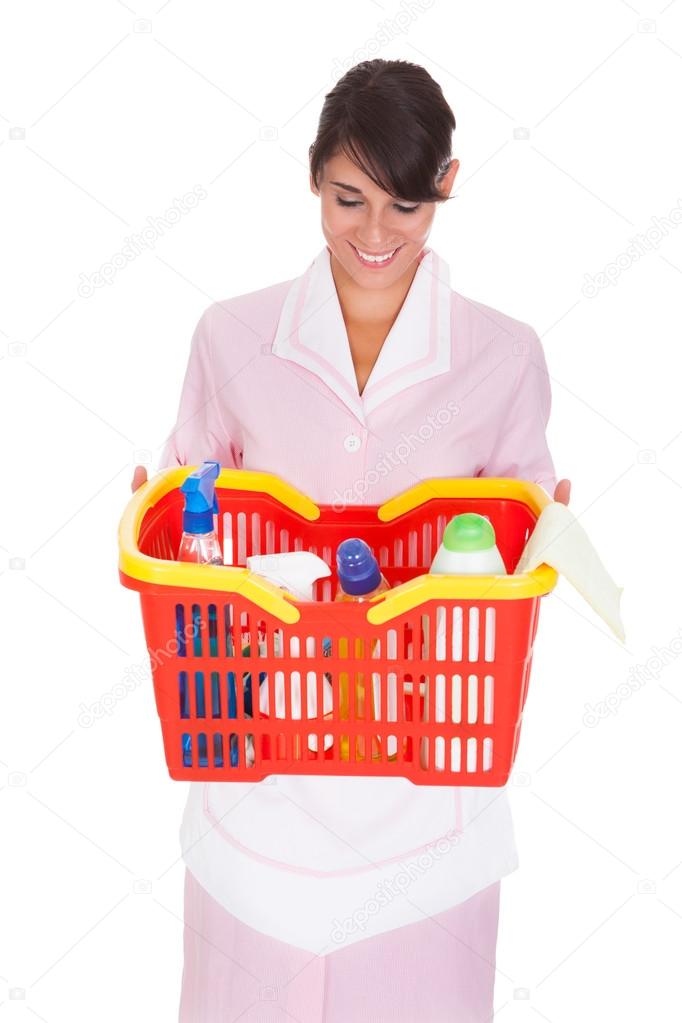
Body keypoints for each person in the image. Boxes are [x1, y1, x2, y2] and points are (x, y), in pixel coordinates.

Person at [132, 58, 570, 1023]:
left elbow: (521, 534)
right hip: (262, 775)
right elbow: (192, 510)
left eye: (406, 206)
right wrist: (157, 515)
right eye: (348, 199)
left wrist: (551, 530)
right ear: (312, 177)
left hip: (430, 788)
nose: (375, 234)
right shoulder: (232, 335)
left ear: (447, 184)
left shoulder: (503, 355)